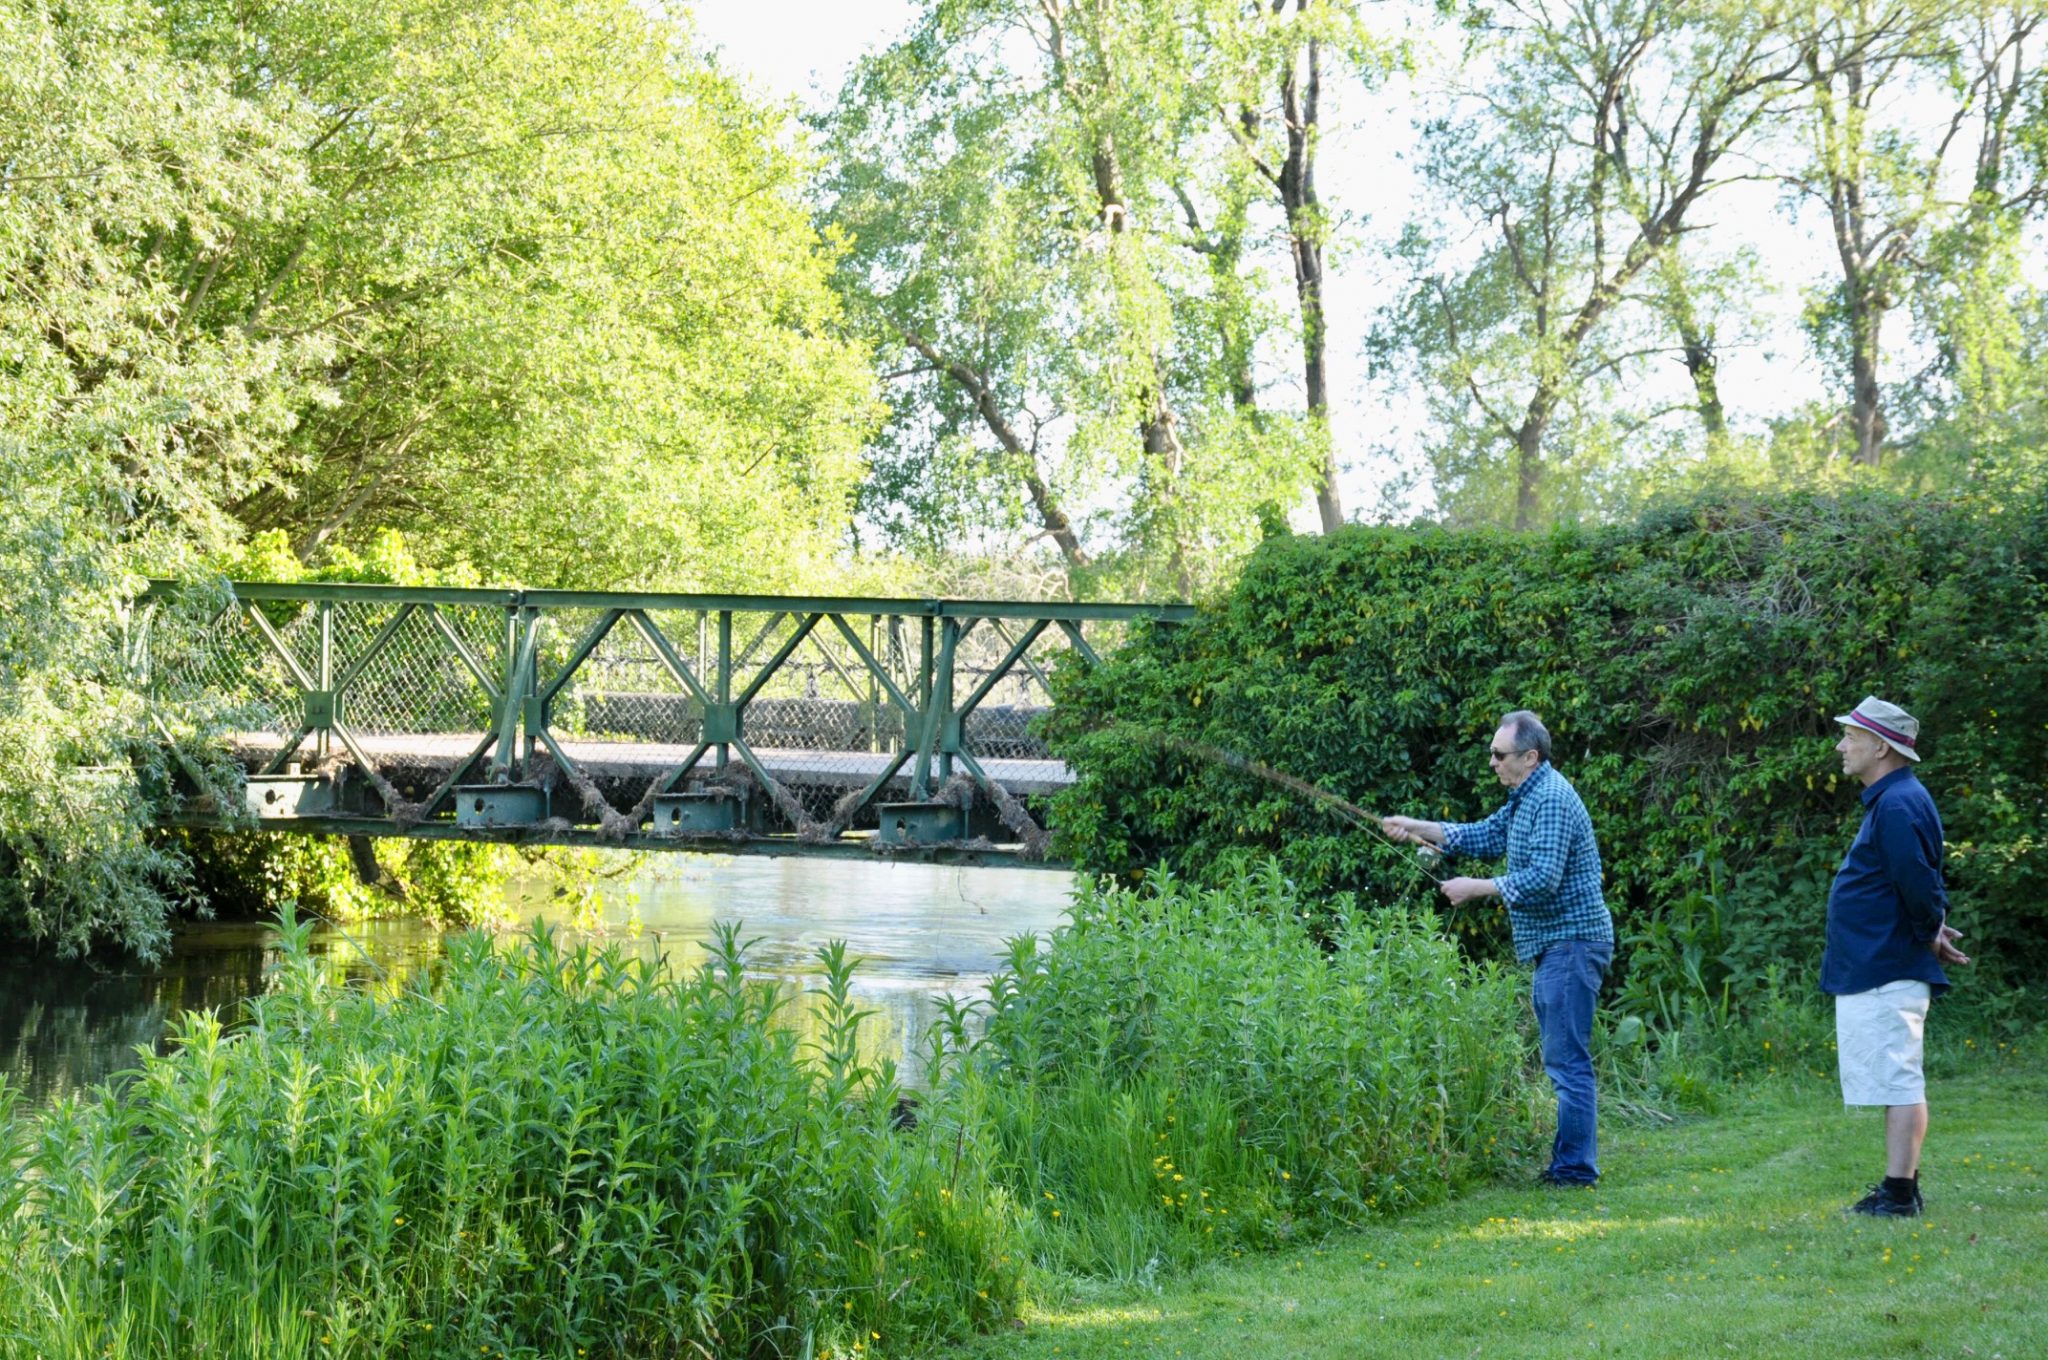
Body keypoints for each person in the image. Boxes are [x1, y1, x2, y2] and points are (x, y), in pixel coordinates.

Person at [1382, 710, 1615, 1186]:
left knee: (1567, 1062)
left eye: (1498, 754)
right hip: (1558, 946)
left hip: (1572, 943)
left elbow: (1544, 879)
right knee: (1564, 1060)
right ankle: (1571, 1166)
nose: (1491, 762)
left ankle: (1574, 1172)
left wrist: (1476, 887)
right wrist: (1418, 827)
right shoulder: (1524, 798)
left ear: (1530, 757)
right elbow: (1483, 835)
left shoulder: (1549, 799)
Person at [1824, 696, 1972, 1218]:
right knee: (1895, 1076)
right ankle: (1899, 1184)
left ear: (1880, 746)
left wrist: (1928, 927)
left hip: (1888, 965)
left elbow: (1919, 882)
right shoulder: (1895, 801)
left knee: (1900, 1077)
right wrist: (1929, 924)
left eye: (1852, 737)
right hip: (1880, 962)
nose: (1842, 746)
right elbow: (1914, 884)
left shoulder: (1899, 803)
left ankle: (1899, 1194)